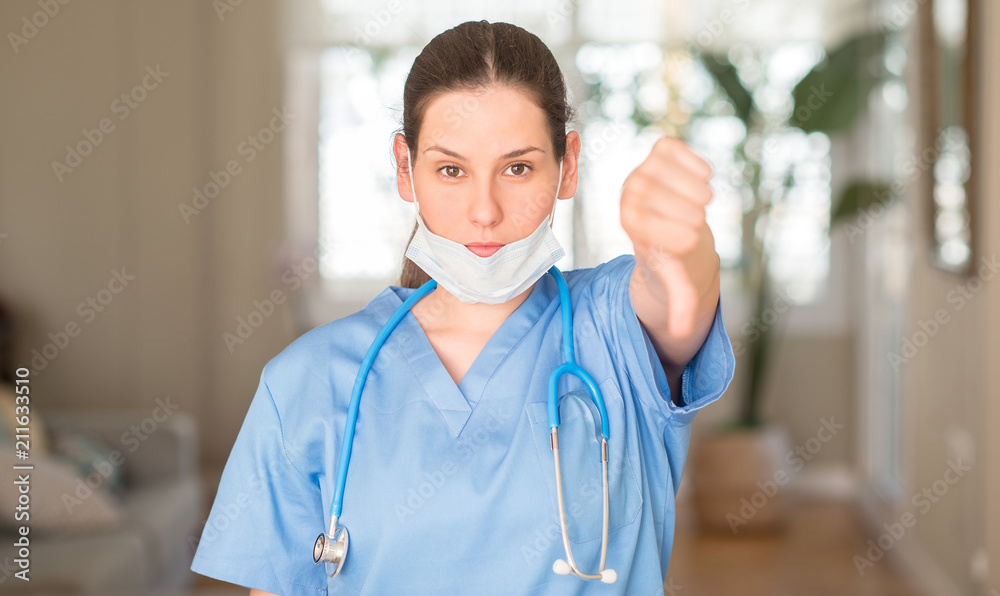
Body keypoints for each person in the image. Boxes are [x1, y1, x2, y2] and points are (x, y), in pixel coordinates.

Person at [190, 20, 735, 596]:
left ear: (567, 165)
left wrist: (676, 247)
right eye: (451, 170)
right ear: (406, 168)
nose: (484, 211)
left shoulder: (613, 330)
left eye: (517, 168)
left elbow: (678, 302)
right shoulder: (307, 381)